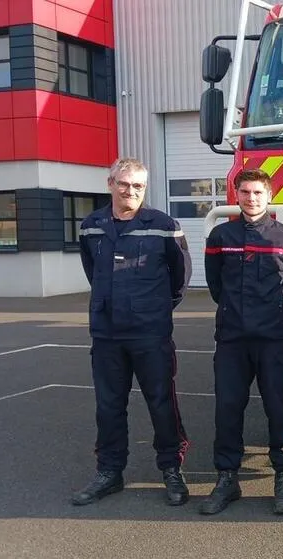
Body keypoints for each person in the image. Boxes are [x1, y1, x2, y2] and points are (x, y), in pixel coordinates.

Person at [72, 157, 192, 507]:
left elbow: (180, 278)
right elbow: (92, 270)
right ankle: (109, 471)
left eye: (138, 186)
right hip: (107, 334)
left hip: (149, 334)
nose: (130, 191)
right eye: (124, 184)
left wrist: (155, 310)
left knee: (161, 403)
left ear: (145, 189)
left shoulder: (164, 225)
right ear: (110, 183)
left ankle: (171, 469)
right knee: (108, 406)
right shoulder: (91, 225)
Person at [200, 168, 283, 516]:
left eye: (258, 192)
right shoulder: (220, 236)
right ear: (236, 195)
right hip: (232, 339)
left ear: (269, 196)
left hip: (274, 339)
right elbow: (216, 286)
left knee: (279, 410)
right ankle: (227, 478)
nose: (251, 198)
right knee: (228, 409)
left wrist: (278, 315)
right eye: (245, 192)